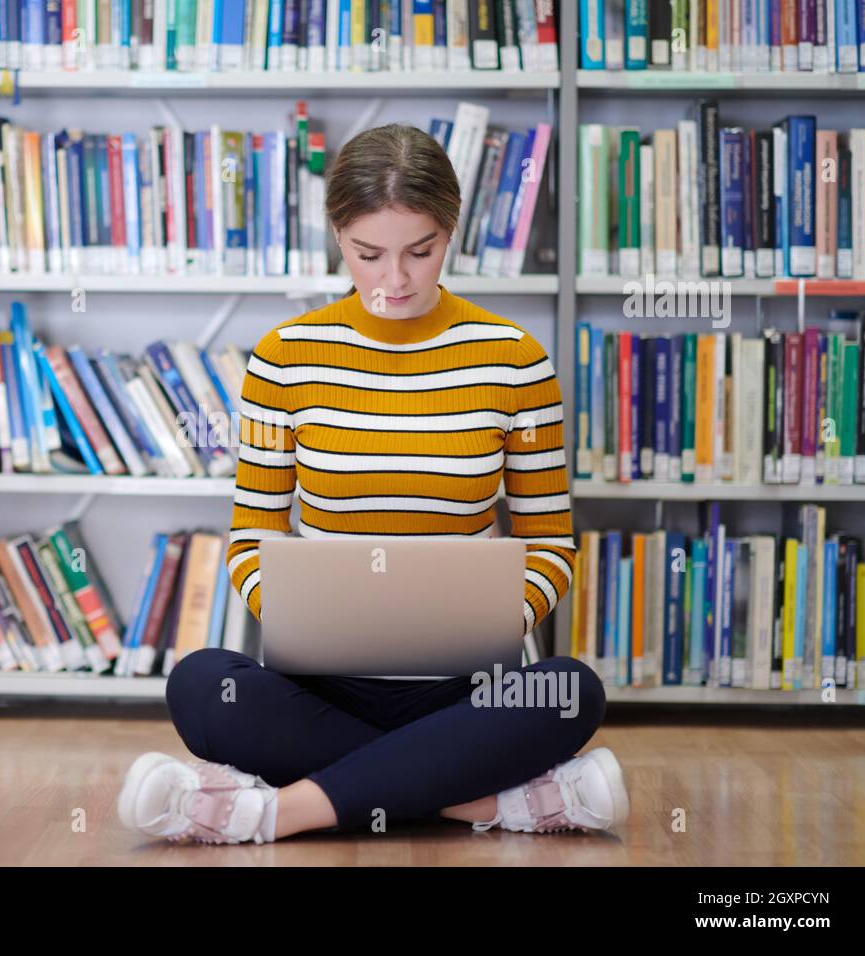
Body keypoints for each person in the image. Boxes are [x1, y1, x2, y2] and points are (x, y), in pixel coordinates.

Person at [116, 123, 628, 845]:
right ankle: (488, 802)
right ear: (337, 237)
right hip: (320, 687)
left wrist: (501, 617)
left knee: (572, 692)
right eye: (368, 255)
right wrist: (292, 615)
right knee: (200, 684)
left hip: (465, 690)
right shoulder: (283, 360)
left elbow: (549, 542)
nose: (395, 281)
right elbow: (251, 534)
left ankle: (271, 811)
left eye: (420, 252)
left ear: (450, 232)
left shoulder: (516, 362)